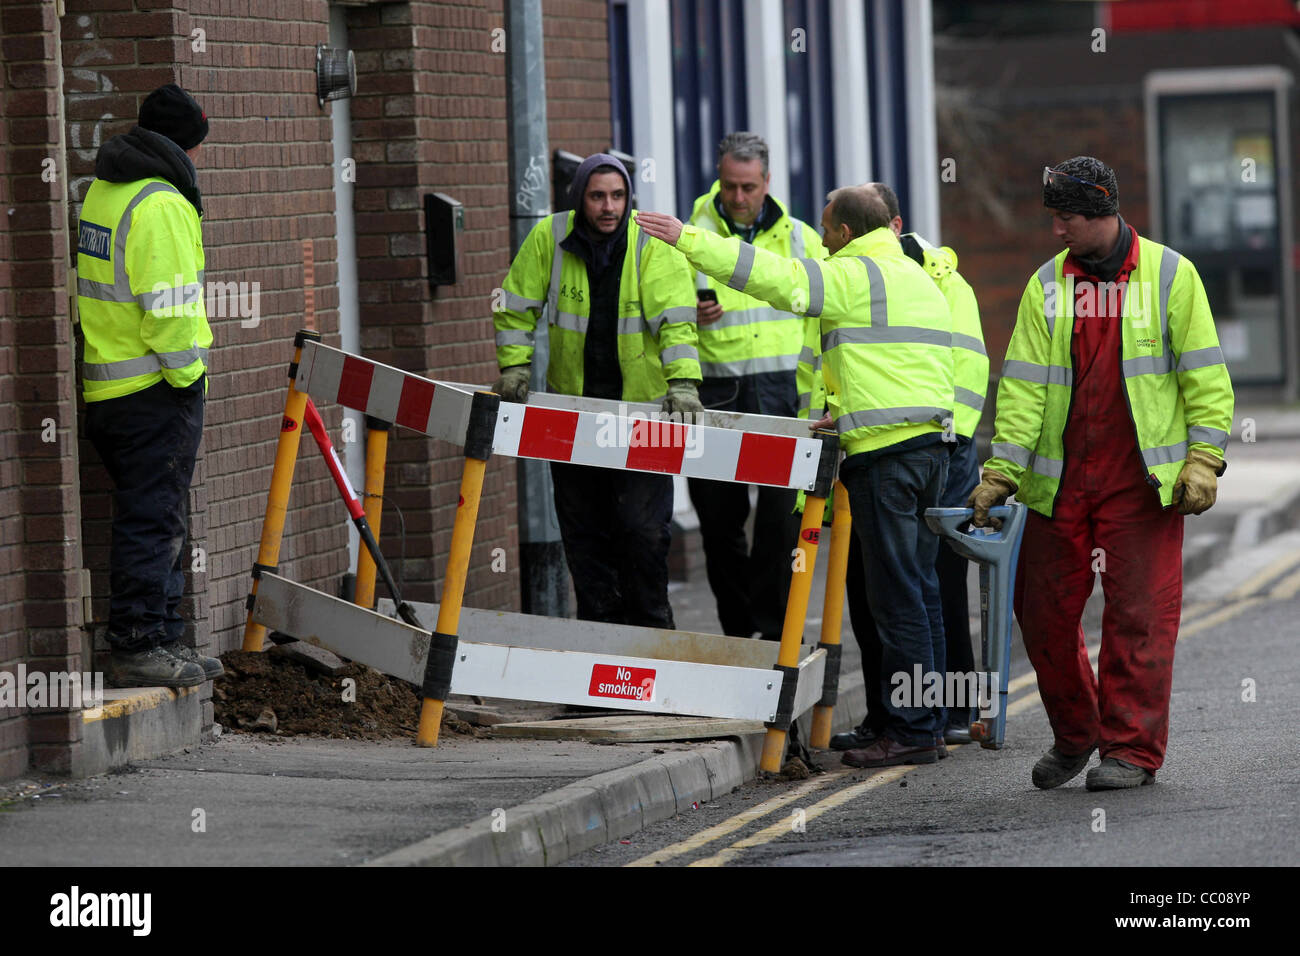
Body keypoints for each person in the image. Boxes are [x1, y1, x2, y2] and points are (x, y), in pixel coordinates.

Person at [638, 186, 955, 767]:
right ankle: (926, 722)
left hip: (886, 455)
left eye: (828, 230)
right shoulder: (914, 275)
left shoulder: (857, 273)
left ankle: (911, 731)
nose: (822, 241)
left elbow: (775, 278)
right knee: (920, 591)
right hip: (929, 445)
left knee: (896, 596)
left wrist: (687, 238)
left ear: (848, 234)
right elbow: (905, 363)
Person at [968, 157, 1234, 790]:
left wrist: (1204, 458)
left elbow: (1204, 374)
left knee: (1138, 618)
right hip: (1059, 486)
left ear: (1101, 214)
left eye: (1066, 218)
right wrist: (1003, 470)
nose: (1057, 230)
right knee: (1042, 615)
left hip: (1140, 487)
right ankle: (1077, 731)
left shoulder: (1171, 275)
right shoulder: (1046, 286)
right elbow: (1026, 387)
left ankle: (1131, 751)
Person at [493, 154, 703, 628]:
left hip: (648, 415)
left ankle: (653, 642)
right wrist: (515, 369)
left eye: (618, 196)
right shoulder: (550, 237)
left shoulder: (652, 242)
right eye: (597, 196)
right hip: (574, 415)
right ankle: (600, 654)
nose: (609, 207)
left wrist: (684, 384)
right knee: (585, 537)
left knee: (644, 532)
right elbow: (513, 305)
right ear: (579, 197)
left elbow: (677, 321)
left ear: (630, 197)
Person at [818, 182, 989, 753]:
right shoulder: (849, 274)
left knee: (923, 590)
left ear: (893, 227)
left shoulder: (937, 280)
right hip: (891, 445)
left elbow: (965, 372)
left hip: (934, 450)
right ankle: (896, 718)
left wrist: (950, 448)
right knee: (884, 594)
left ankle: (941, 716)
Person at [77, 84, 221, 688]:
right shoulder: (160, 203)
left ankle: (163, 638)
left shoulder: (105, 192)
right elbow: (167, 308)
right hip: (153, 388)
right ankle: (139, 642)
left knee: (155, 514)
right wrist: (188, 378)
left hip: (110, 387)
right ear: (183, 145)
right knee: (153, 517)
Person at [686, 132, 826, 642]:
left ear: (767, 182)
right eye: (729, 186)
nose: (738, 198)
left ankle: (771, 631)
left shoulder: (802, 239)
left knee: (779, 523)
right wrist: (688, 311)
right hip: (714, 393)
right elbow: (658, 305)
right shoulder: (690, 234)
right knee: (720, 526)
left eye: (748, 187)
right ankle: (738, 630)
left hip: (781, 393)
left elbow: (827, 313)